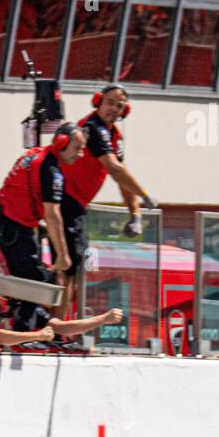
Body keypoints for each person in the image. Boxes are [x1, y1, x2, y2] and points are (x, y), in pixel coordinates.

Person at [60, 85, 158, 314]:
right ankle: (58, 328)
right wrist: (144, 196)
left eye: (119, 105)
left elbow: (121, 173)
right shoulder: (94, 128)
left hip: (77, 205)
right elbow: (114, 169)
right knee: (69, 267)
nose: (113, 108)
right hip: (66, 200)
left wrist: (135, 213)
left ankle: (63, 324)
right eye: (109, 102)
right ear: (98, 102)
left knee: (76, 266)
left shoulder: (114, 135)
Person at [0, 124, 86, 331]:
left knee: (28, 278)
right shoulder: (51, 170)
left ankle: (22, 324)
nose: (81, 154)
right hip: (13, 225)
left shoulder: (35, 155)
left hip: (5, 221)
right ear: (61, 142)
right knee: (38, 281)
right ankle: (23, 333)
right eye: (77, 147)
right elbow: (53, 214)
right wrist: (62, 255)